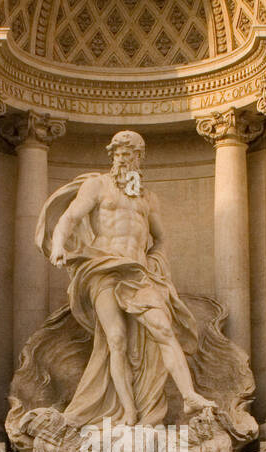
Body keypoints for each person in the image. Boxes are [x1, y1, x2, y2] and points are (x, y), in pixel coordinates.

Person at [37, 130, 215, 427]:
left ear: (139, 158)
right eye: (118, 153)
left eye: (128, 153)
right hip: (102, 268)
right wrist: (58, 246)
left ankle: (189, 395)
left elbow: (160, 238)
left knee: (163, 329)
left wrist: (156, 262)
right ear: (112, 156)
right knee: (116, 339)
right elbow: (69, 218)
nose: (122, 158)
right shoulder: (98, 186)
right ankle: (129, 413)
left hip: (137, 273)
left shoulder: (147, 198)